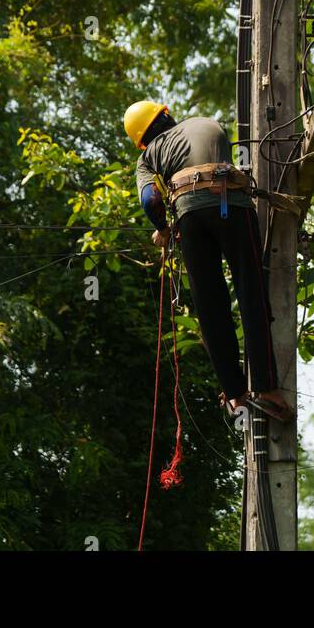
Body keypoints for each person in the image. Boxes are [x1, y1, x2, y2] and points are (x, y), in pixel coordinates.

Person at [123, 98, 292, 421]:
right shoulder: (205, 122)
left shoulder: (147, 157)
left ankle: (235, 396)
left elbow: (151, 199)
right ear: (167, 116)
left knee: (212, 308)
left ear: (141, 140)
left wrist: (163, 229)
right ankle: (268, 391)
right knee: (250, 292)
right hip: (232, 204)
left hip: (189, 217)